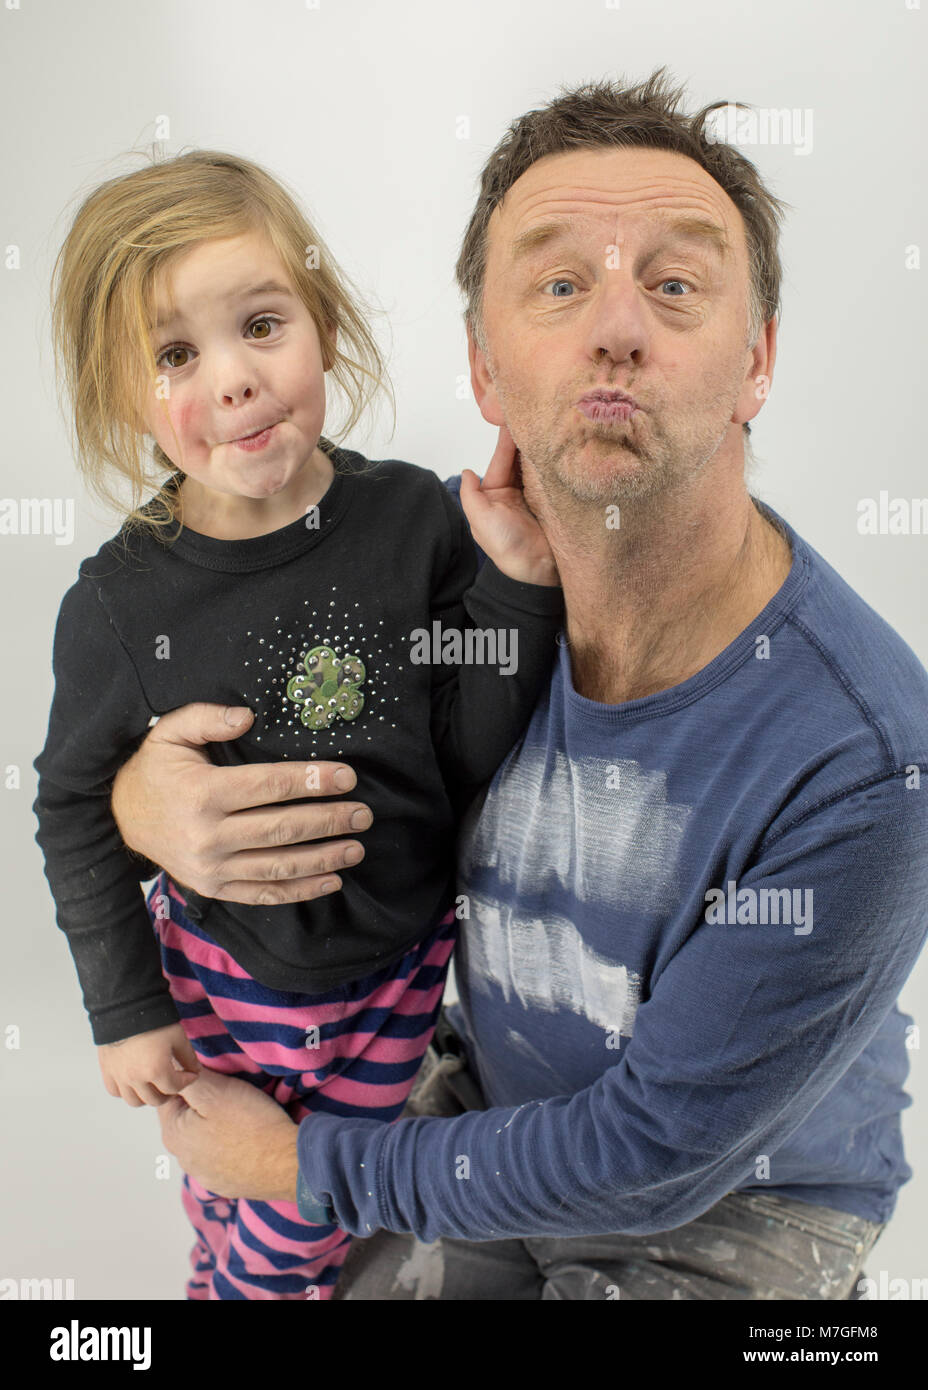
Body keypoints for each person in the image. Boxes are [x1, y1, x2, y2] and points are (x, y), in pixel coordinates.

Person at [110, 70, 927, 1300]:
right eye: (560, 284)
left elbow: (649, 1157)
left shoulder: (864, 752)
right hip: (476, 1102)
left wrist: (303, 1163)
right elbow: (209, 691)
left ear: (755, 361)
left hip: (732, 1203)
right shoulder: (420, 582)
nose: (616, 327)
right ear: (486, 372)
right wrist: (142, 799)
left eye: (674, 284)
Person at [31, 148, 564, 1301]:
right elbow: (71, 805)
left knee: (299, 1221)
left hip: (393, 970)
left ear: (320, 327)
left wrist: (516, 585)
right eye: (177, 354)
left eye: (260, 325)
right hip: (222, 973)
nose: (232, 378)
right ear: (126, 397)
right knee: (226, 1184)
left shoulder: (415, 520)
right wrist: (125, 1013)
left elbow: (463, 752)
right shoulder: (120, 602)